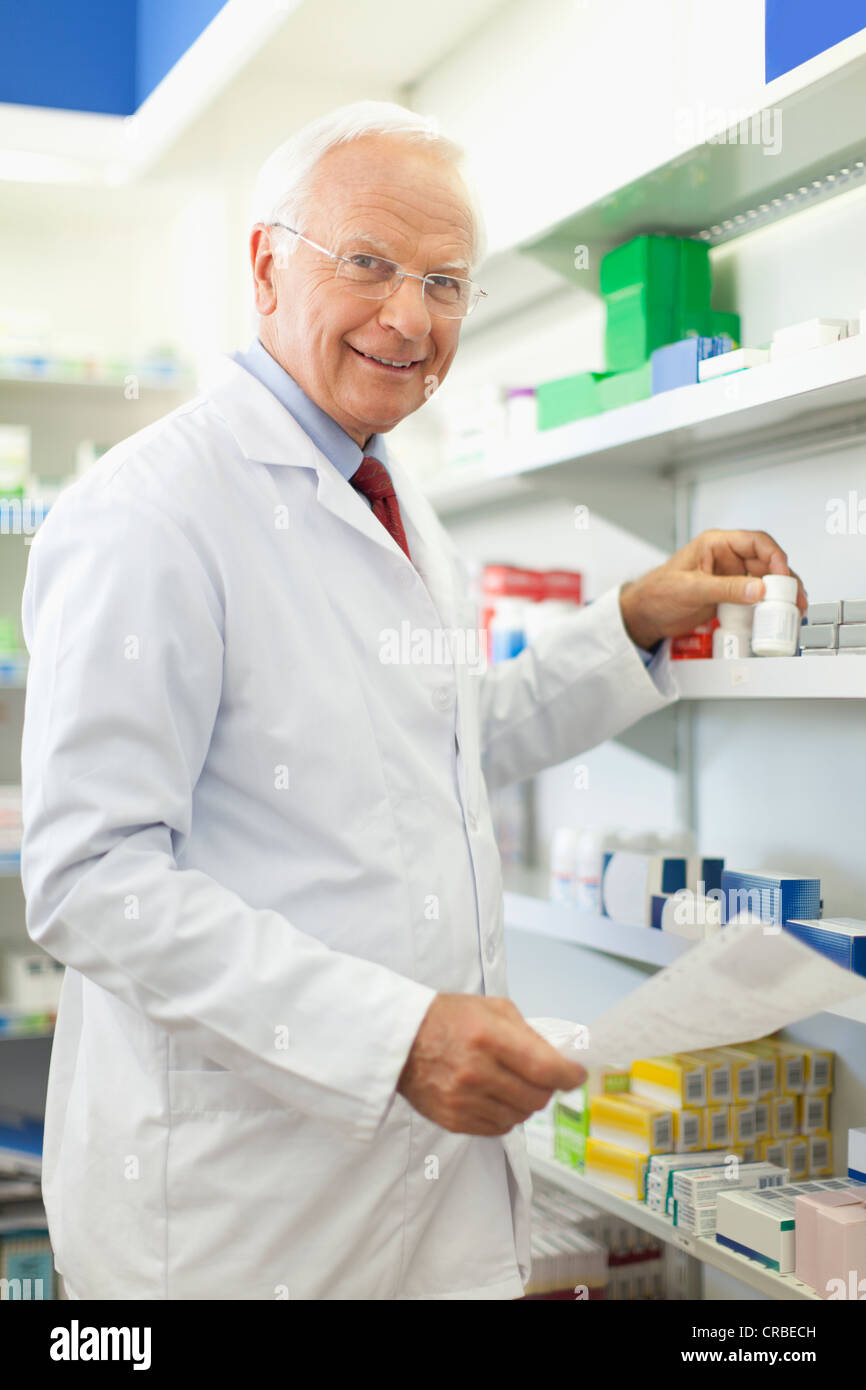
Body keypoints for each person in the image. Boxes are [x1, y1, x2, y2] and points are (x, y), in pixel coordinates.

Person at [20, 101, 806, 1300]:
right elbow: (91, 877)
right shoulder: (151, 512)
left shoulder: (391, 499)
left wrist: (631, 619)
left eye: (444, 282)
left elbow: (440, 745)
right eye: (368, 264)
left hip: (410, 1198)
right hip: (234, 1215)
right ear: (267, 264)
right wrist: (391, 1036)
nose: (407, 316)